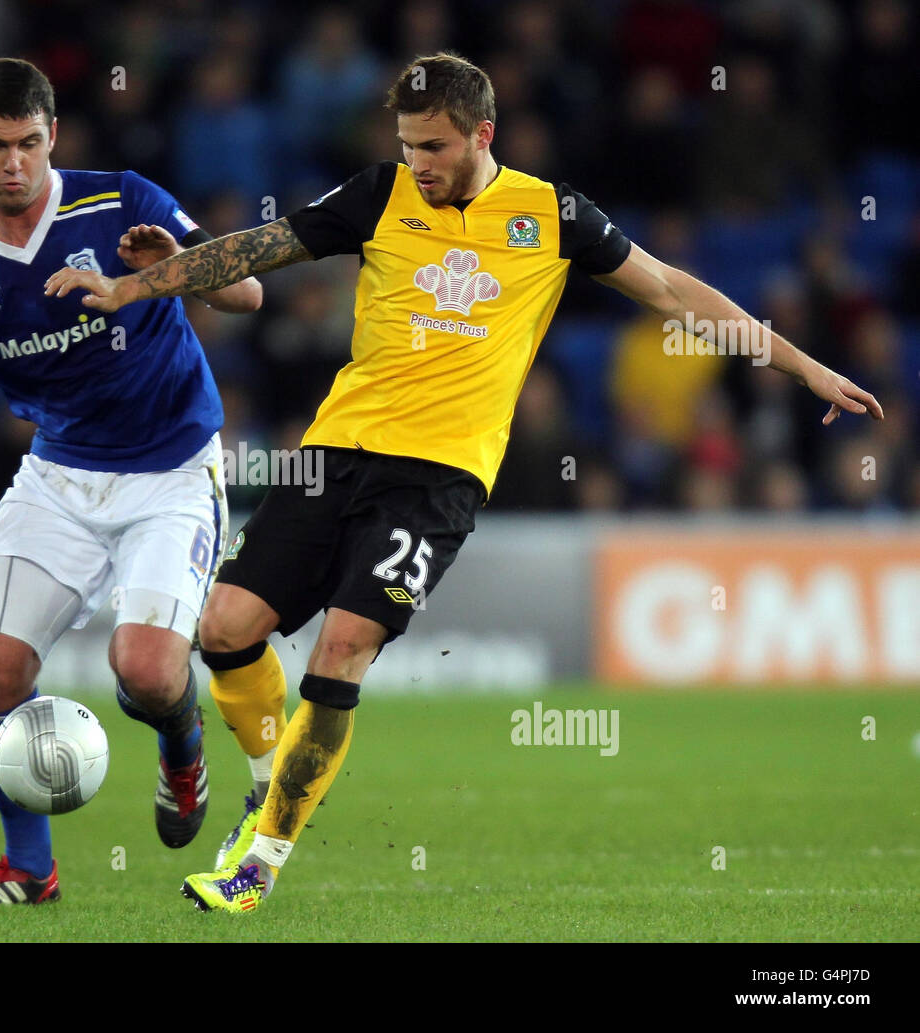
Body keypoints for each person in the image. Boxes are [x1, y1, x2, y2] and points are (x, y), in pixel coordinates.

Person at [46, 52, 883, 913]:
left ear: (484, 134)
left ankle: (258, 863)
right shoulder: (379, 193)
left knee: (340, 650)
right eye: (409, 146)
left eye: (435, 147)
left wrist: (807, 368)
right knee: (223, 628)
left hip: (438, 478)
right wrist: (135, 286)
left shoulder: (552, 214)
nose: (420, 164)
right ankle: (269, 782)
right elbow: (265, 247)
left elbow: (673, 293)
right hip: (339, 449)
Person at [0, 58, 261, 905]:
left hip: (172, 469)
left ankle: (181, 748)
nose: (14, 162)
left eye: (29, 144)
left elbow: (250, 293)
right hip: (59, 478)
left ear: (53, 139)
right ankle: (31, 870)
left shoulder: (121, 200)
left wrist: (177, 265)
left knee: (147, 672)